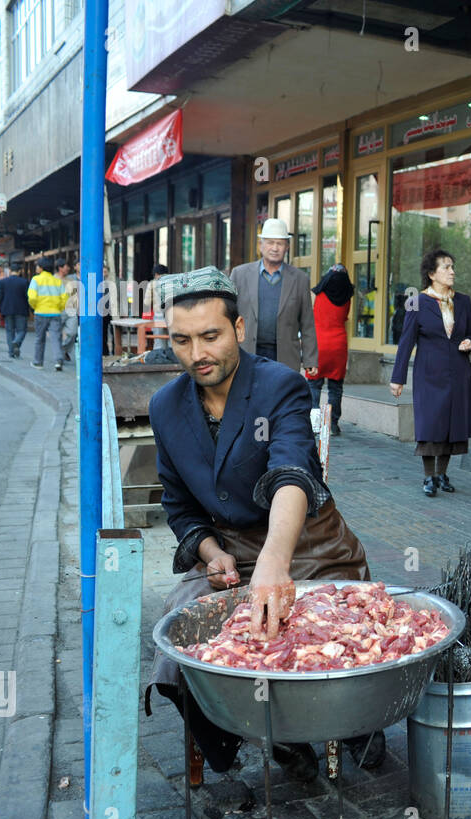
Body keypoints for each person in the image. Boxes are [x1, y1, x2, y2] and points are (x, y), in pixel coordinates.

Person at [145, 265, 384, 778]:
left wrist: (274, 563)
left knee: (329, 626)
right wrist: (212, 553)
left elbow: (291, 472)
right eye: (182, 341)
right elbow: (179, 504)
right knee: (179, 636)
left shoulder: (280, 386)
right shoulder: (165, 407)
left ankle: (359, 720)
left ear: (238, 329)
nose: (197, 354)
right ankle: (262, 733)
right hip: (232, 550)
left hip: (308, 544)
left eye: (210, 335)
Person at [389, 249, 471, 497]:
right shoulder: (416, 302)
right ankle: (428, 477)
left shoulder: (462, 301)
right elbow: (406, 342)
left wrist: (470, 342)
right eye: (446, 267)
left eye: (453, 267)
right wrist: (397, 378)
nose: (452, 271)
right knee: (431, 426)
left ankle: (442, 473)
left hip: (458, 373)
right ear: (432, 274)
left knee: (453, 426)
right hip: (429, 375)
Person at [230, 218, 317, 376]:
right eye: (270, 242)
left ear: (287, 247)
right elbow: (228, 315)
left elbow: (307, 323)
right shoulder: (239, 274)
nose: (275, 248)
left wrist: (310, 359)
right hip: (247, 351)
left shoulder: (299, 279)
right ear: (260, 245)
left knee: (281, 398)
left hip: (284, 356)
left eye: (280, 243)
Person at [307, 265, 354, 436]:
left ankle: (314, 422)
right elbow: (344, 318)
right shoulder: (347, 297)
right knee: (336, 387)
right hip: (338, 345)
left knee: (314, 384)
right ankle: (333, 424)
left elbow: (308, 317)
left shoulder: (316, 294)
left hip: (318, 342)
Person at [29, 256, 68, 370]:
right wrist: (59, 308)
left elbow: (31, 297)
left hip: (40, 313)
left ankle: (38, 362)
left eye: (37, 266)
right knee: (56, 338)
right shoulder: (57, 281)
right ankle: (58, 360)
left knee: (39, 338)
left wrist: (35, 306)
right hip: (55, 313)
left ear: (41, 268)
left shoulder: (36, 279)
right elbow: (64, 298)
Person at [0, 265, 32, 359]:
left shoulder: (3, 282)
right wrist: (31, 309)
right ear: (19, 271)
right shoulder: (24, 282)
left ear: (10, 270)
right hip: (21, 309)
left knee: (9, 331)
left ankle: (11, 351)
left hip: (7, 309)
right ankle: (16, 342)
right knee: (22, 330)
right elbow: (28, 297)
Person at [58, 257, 80, 362]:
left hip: (71, 310)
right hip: (57, 310)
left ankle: (63, 349)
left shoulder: (71, 280)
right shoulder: (54, 279)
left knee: (73, 332)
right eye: (66, 266)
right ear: (60, 268)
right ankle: (58, 354)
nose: (68, 268)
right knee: (56, 333)